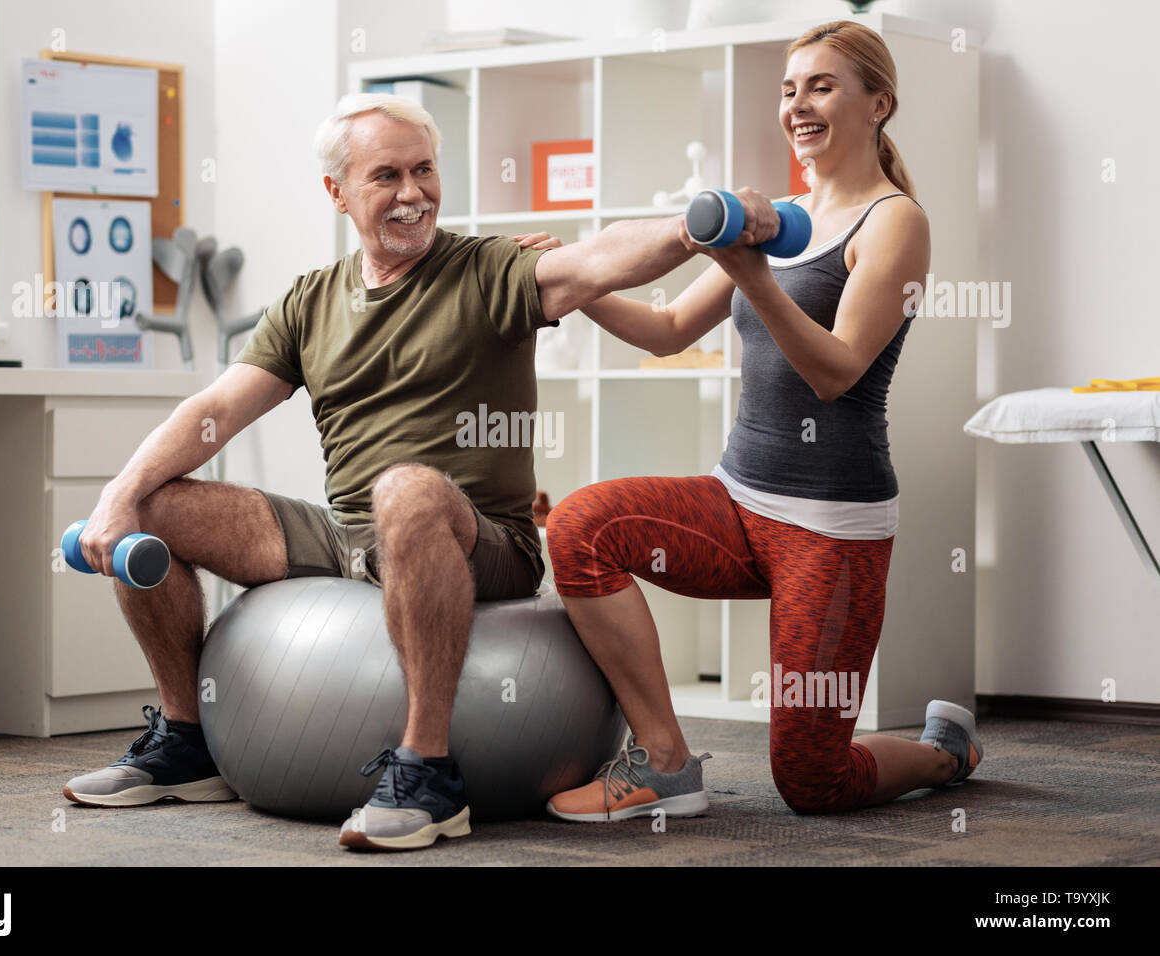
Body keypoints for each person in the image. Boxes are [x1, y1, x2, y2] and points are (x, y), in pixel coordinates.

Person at [60, 91, 695, 850]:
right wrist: (119, 495)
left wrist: (695, 226)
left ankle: (428, 771)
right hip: (346, 536)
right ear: (337, 192)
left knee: (408, 490)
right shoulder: (312, 301)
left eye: (424, 170)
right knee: (155, 505)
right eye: (386, 175)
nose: (412, 193)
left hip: (478, 538)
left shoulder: (487, 270)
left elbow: (602, 257)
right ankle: (188, 740)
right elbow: (218, 410)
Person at [544, 19, 983, 823]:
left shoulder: (896, 224)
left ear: (880, 102)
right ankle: (668, 764)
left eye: (821, 86)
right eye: (789, 89)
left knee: (812, 783)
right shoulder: (778, 218)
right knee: (579, 528)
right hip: (738, 504)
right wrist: (565, 287)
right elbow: (672, 329)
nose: (798, 105)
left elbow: (837, 370)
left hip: (833, 530)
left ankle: (944, 753)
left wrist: (753, 273)